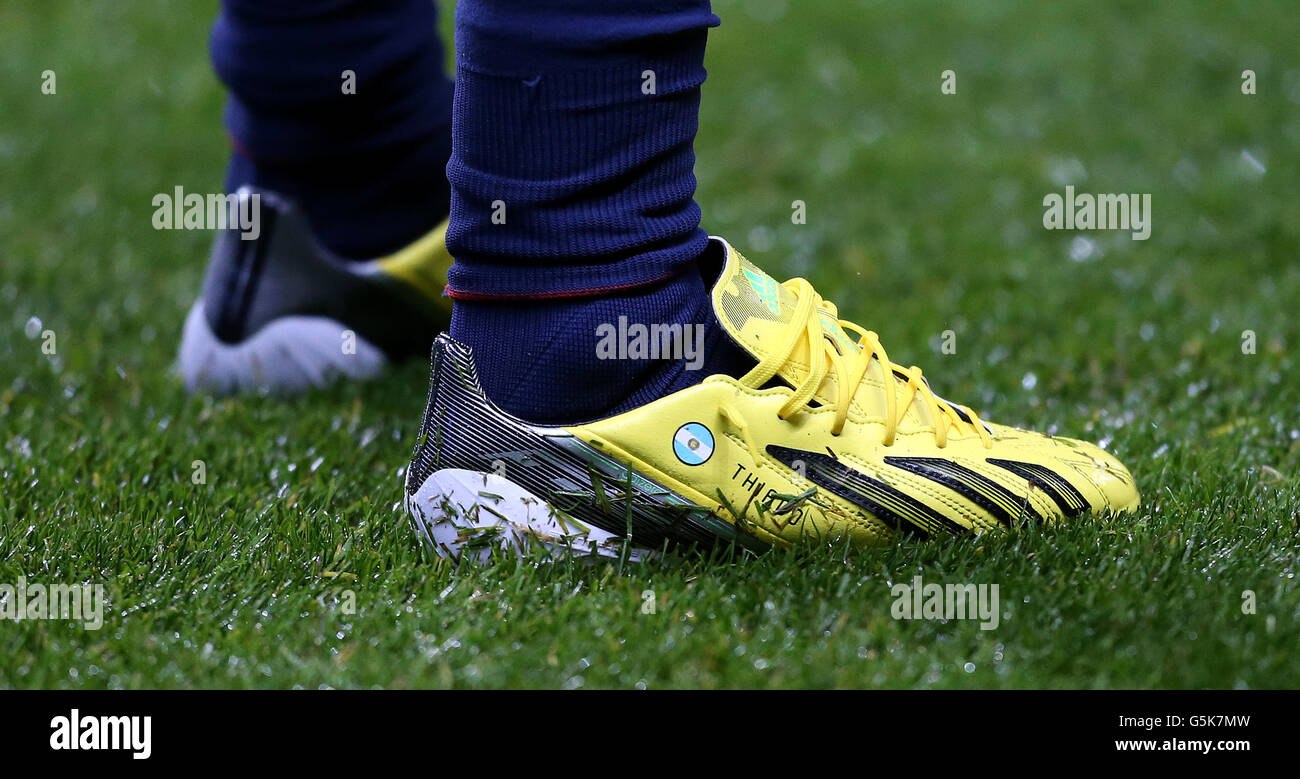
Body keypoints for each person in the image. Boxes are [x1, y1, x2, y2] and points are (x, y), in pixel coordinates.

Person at [180, 0, 1139, 556]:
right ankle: (587, 330)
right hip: (572, 349)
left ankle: (348, 178)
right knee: (588, 293)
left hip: (325, 172)